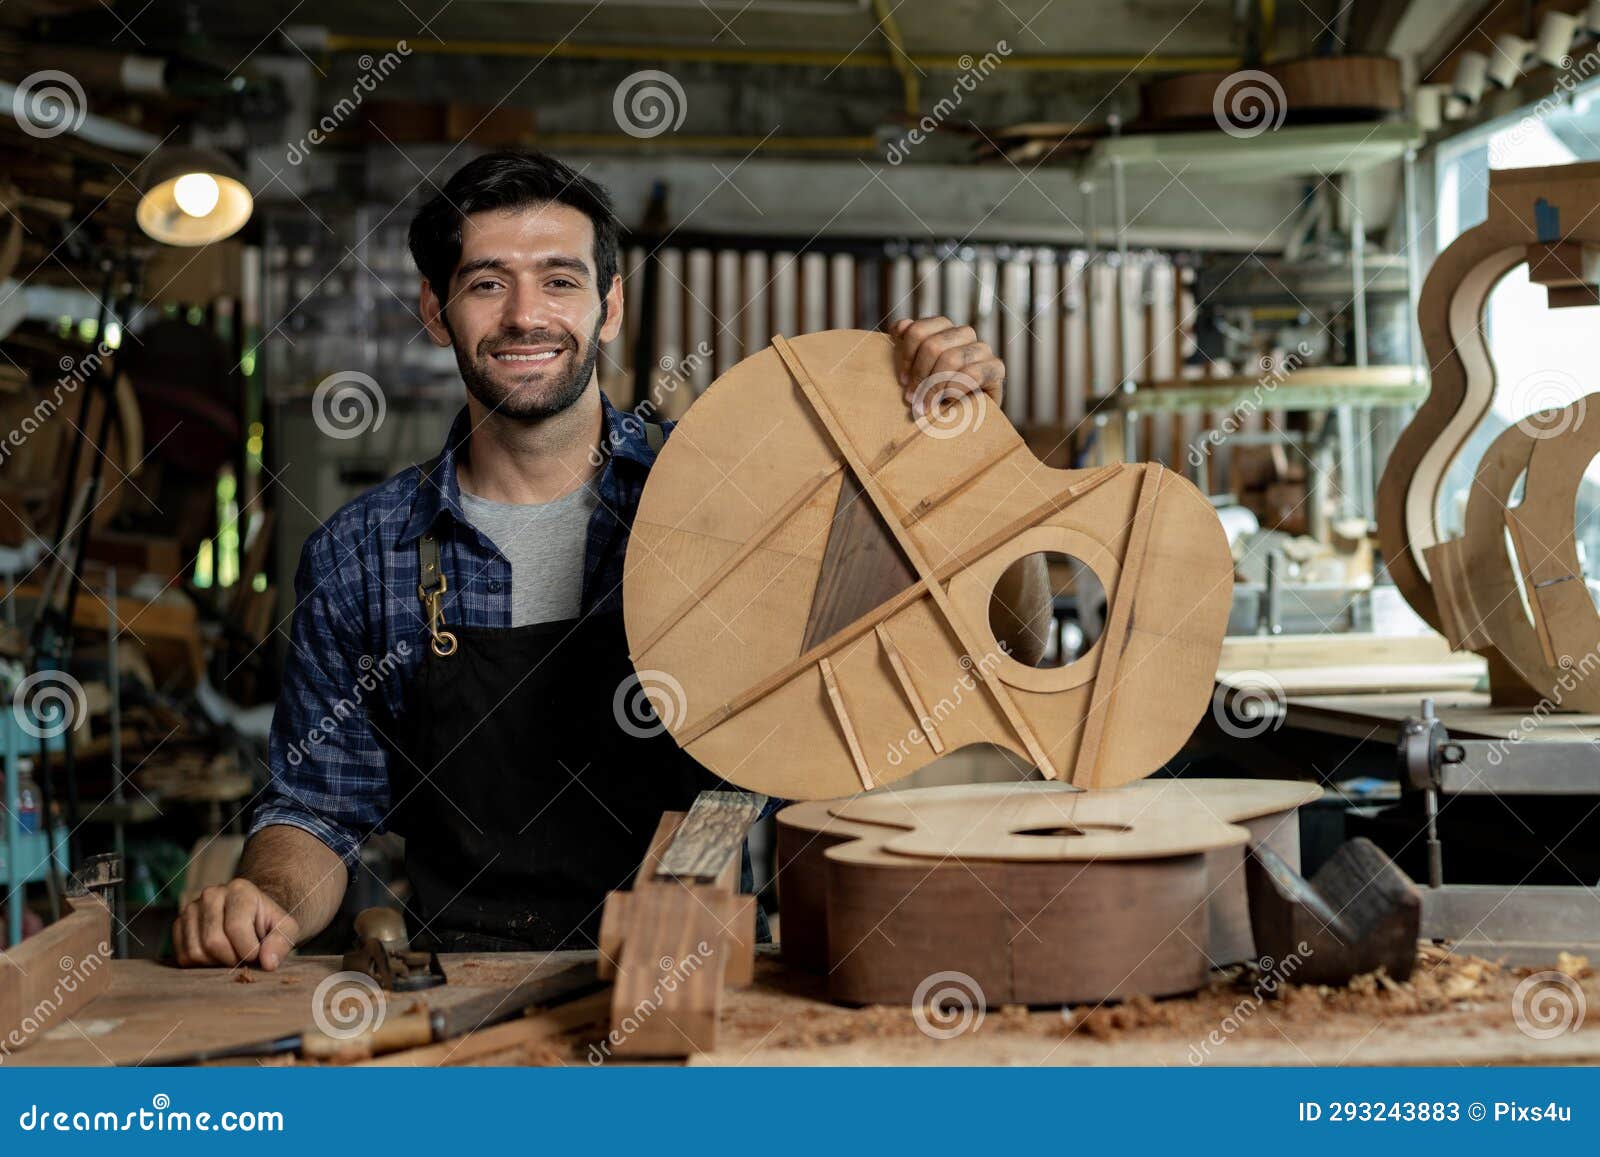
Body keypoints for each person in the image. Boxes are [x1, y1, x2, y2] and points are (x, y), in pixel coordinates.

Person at [172, 150, 1045, 967]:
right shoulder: (362, 554)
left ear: (610, 304)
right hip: (468, 993)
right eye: (486, 283)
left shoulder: (741, 501)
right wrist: (270, 895)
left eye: (560, 280)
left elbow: (1013, 646)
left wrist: (982, 460)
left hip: (707, 974)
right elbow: (319, 811)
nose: (526, 315)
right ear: (435, 309)